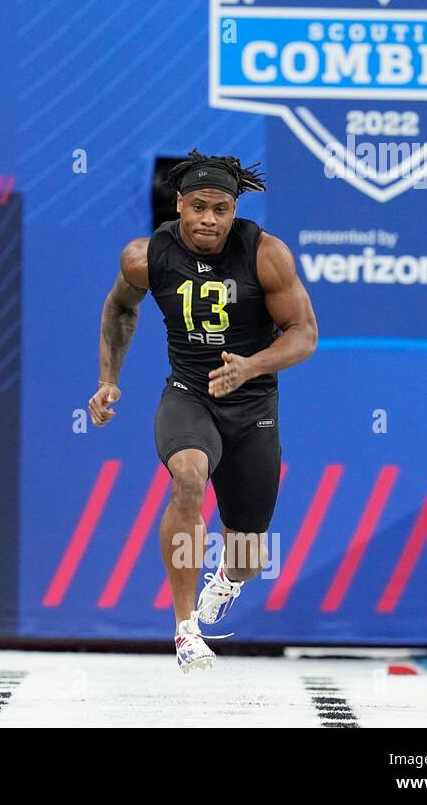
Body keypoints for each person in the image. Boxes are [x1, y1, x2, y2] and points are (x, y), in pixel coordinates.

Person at [89, 150, 318, 672]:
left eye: (220, 208)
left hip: (253, 404)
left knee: (248, 556)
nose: (208, 220)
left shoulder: (266, 254)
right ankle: (185, 628)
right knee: (188, 476)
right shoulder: (145, 256)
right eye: (198, 207)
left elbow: (305, 335)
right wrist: (108, 380)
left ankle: (227, 581)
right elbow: (120, 307)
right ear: (179, 205)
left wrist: (252, 366)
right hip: (189, 394)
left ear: (234, 211)